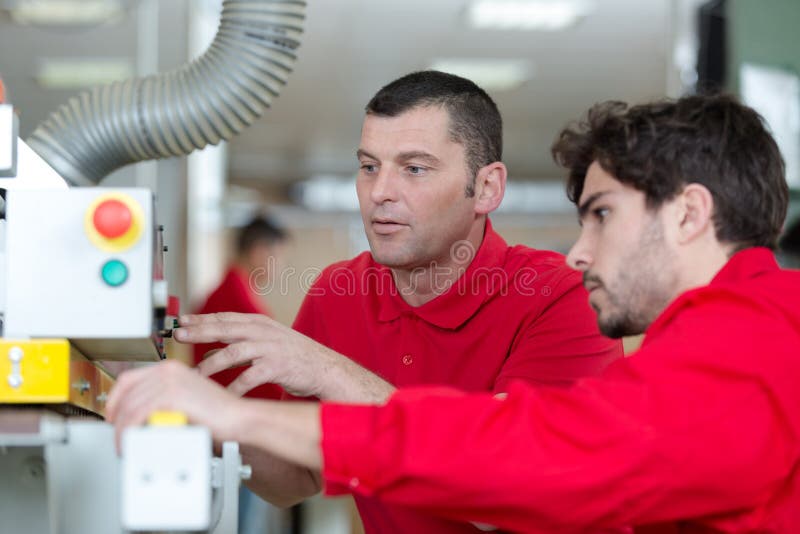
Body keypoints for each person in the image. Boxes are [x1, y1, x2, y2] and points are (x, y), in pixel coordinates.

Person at [108, 93, 800, 531]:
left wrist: (261, 408)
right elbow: (298, 480)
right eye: (366, 166)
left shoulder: (750, 342)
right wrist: (202, 413)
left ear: (689, 214)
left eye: (601, 216)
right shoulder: (726, 336)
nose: (581, 253)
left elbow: (536, 460)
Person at [191, 215, 289, 534]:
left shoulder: (232, 294)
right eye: (278, 257)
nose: (278, 266)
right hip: (237, 437)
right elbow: (263, 378)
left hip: (236, 433)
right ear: (261, 251)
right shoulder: (236, 302)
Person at [192, 215, 288, 400]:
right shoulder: (240, 304)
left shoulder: (227, 292)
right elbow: (263, 382)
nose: (282, 265)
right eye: (279, 255)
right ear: (259, 252)